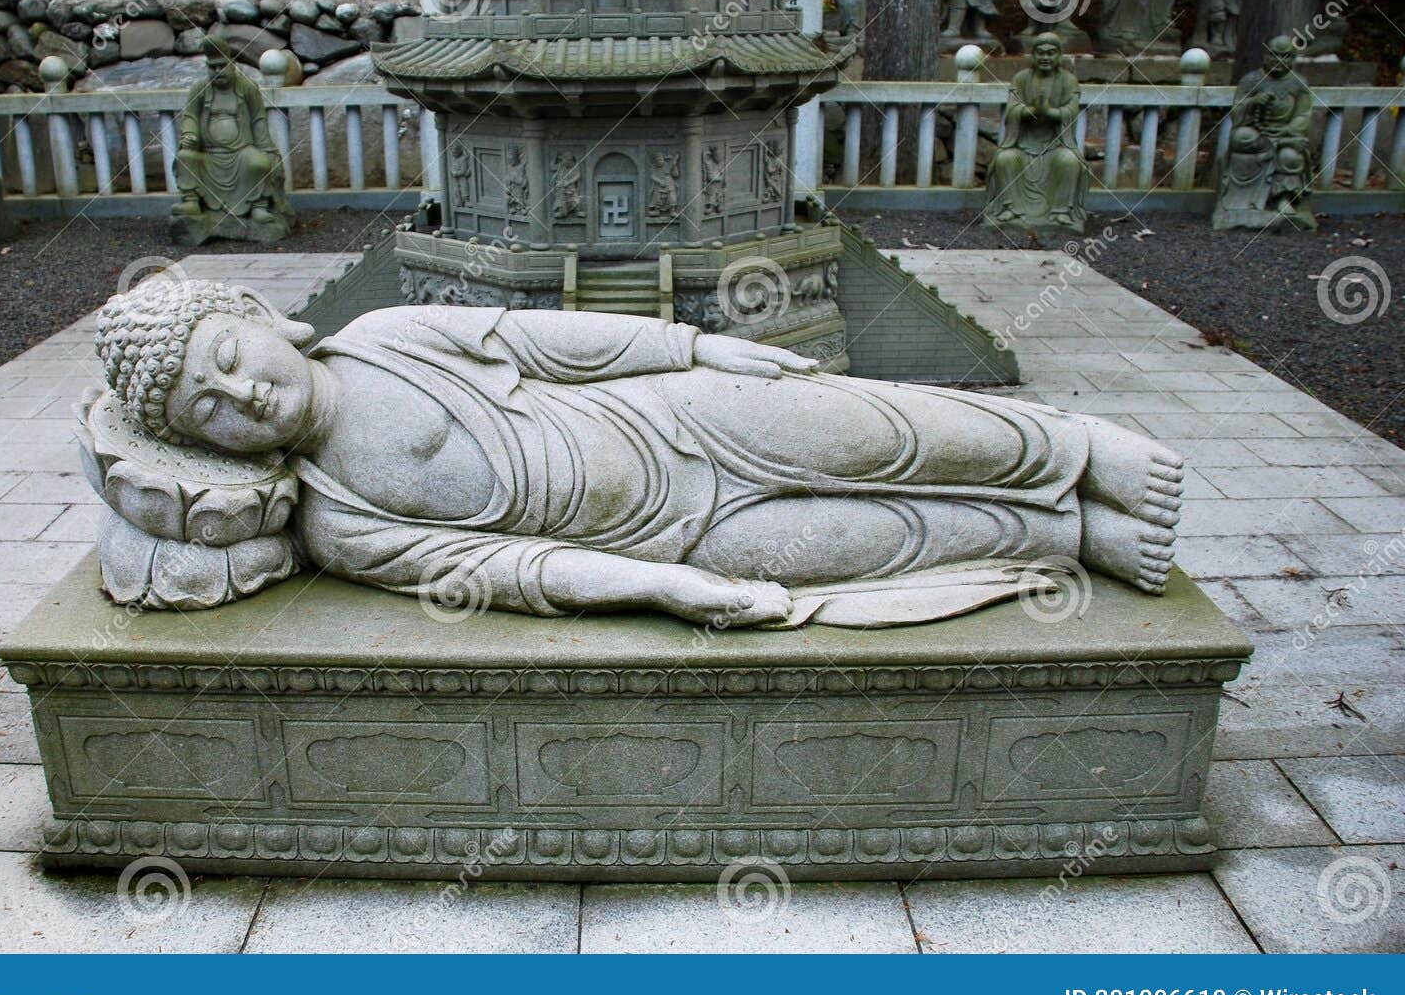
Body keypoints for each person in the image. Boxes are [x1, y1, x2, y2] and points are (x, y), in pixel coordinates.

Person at [89, 278, 1185, 626]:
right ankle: (1062, 529)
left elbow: (548, 341)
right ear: (213, 447)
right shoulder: (338, 523)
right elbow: (510, 571)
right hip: (674, 535)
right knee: (885, 538)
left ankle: (1073, 448)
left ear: (264, 319)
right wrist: (663, 587)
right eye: (208, 410)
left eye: (227, 356)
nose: (242, 394)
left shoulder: (384, 336)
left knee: (884, 431)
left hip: (674, 418)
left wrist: (698, 346)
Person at [171, 36, 293, 244]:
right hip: (208, 154)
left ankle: (258, 206)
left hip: (241, 151)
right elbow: (190, 117)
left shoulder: (247, 88)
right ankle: (192, 201)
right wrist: (190, 135)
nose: (218, 72)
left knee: (259, 163)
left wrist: (267, 150)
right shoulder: (200, 89)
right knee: (185, 157)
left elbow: (258, 120)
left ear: (232, 65)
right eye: (213, 67)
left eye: (222, 66)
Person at [984, 33, 1089, 234]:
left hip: (1054, 145)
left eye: (1051, 53)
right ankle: (1011, 208)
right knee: (1005, 159)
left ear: (1059, 55)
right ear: (1033, 55)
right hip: (1023, 145)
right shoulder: (1021, 79)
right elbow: (1012, 110)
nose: (1045, 58)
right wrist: (1031, 110)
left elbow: (1071, 111)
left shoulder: (1068, 80)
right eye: (1040, 53)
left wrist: (1050, 112)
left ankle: (1060, 211)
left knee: (1069, 161)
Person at [1212, 36, 1315, 231]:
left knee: (1290, 156)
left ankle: (1283, 198)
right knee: (1241, 137)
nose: (1279, 60)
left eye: (1285, 56)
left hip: (1286, 134)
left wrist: (1286, 130)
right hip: (1257, 132)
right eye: (1274, 55)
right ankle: (1240, 200)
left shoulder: (1299, 84)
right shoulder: (1251, 80)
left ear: (1293, 59)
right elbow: (1237, 110)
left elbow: (1303, 115)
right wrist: (1253, 102)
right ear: (1265, 56)